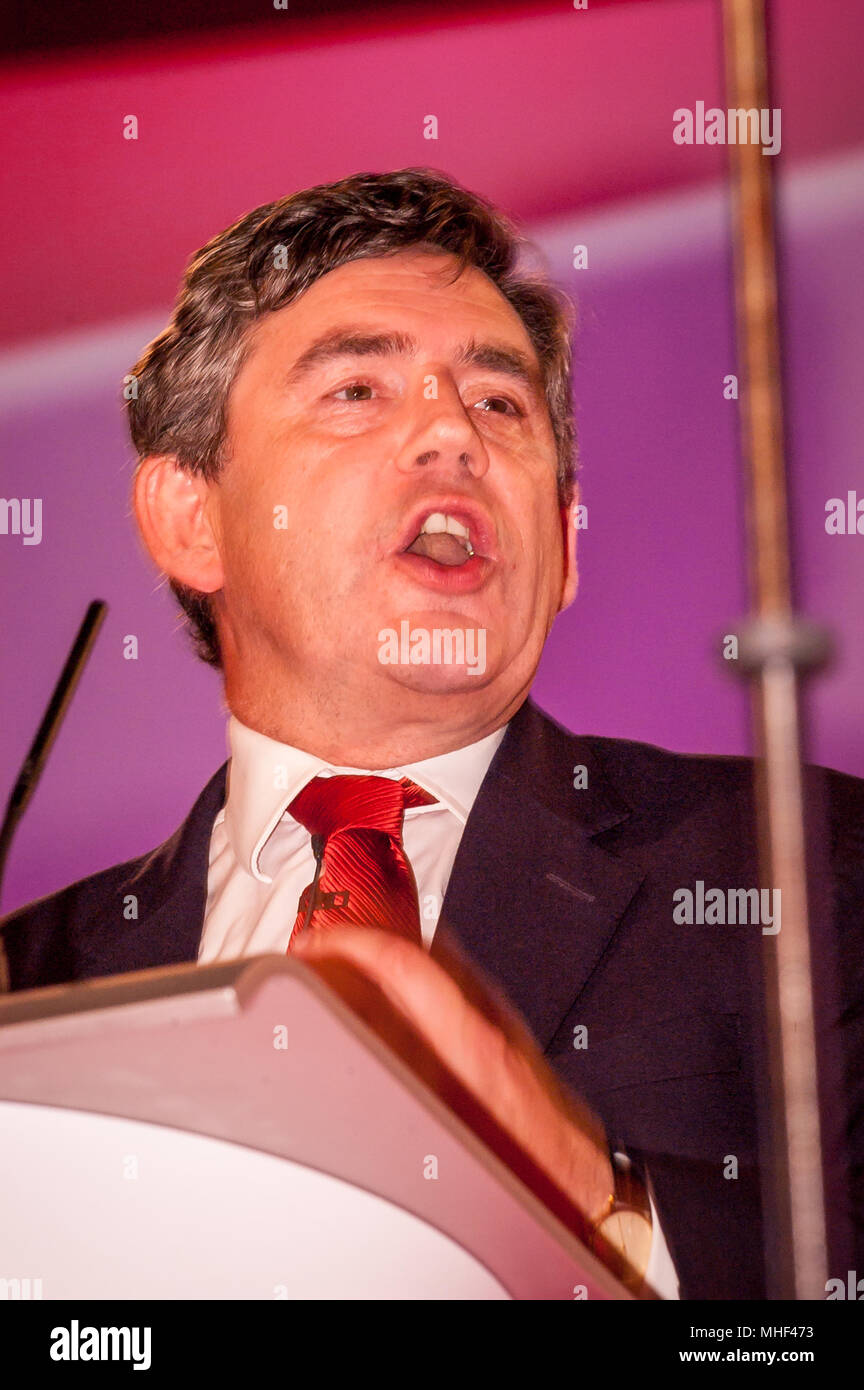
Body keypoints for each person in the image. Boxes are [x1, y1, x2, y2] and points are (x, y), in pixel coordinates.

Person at [2, 168, 861, 1301]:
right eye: (359, 388)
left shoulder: (802, 867)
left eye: (499, 403)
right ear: (191, 517)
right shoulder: (37, 982)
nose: (451, 431)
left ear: (562, 542)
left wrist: (591, 1195)